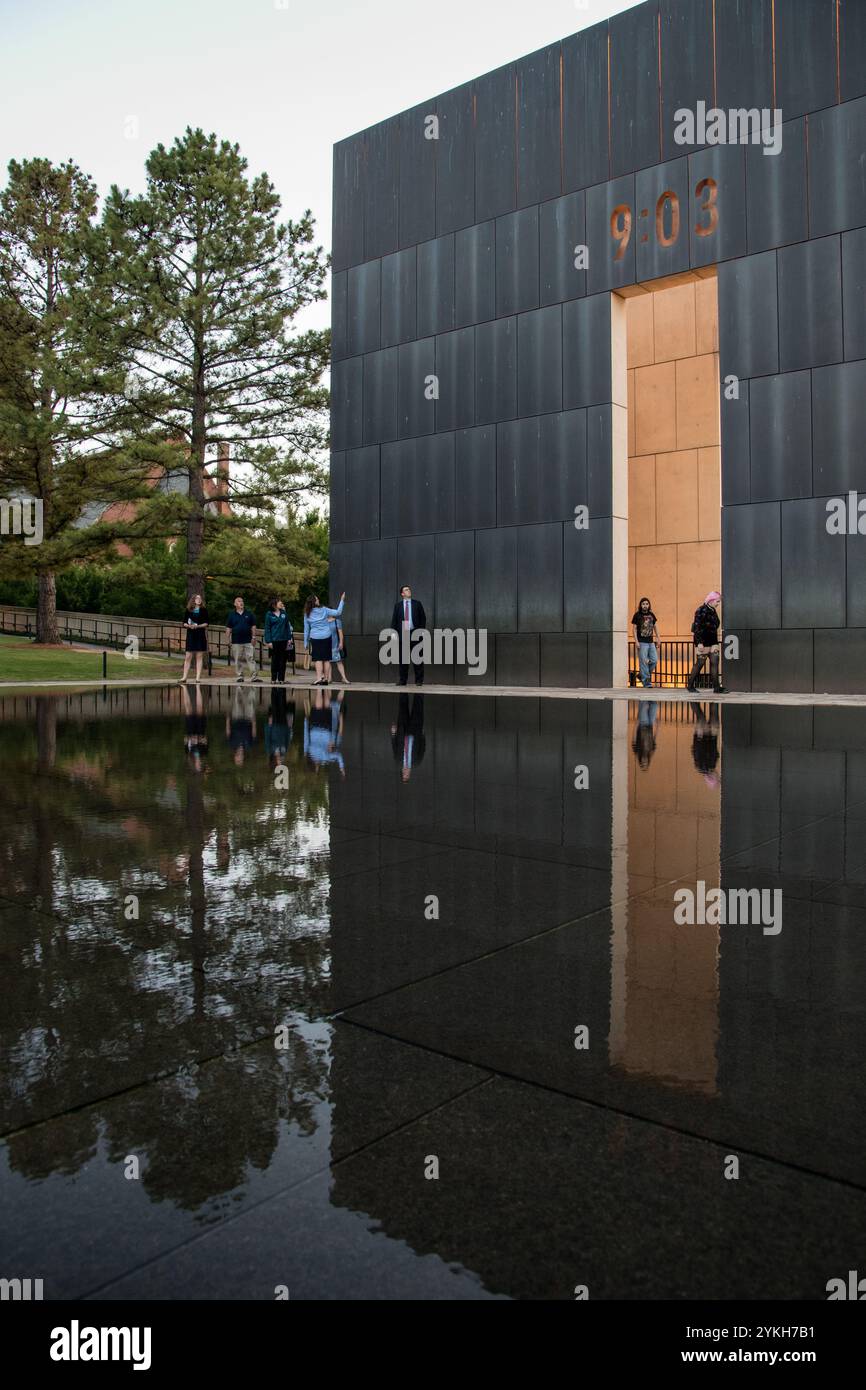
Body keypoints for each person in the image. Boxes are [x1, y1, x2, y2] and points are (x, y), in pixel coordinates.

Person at [687, 591, 726, 694]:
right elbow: (696, 627)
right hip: (703, 641)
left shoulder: (713, 610)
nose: (718, 603)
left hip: (713, 640)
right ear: (711, 600)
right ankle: (690, 686)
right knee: (700, 663)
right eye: (717, 601)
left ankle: (717, 688)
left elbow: (715, 624)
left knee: (715, 662)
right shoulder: (701, 610)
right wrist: (699, 642)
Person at [303, 592, 346, 686]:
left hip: (315, 637)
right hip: (327, 636)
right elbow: (338, 612)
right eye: (317, 599)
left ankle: (319, 679)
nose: (318, 600)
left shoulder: (307, 614)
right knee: (326, 659)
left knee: (318, 659)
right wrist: (342, 600)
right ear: (314, 602)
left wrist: (305, 642)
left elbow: (306, 629)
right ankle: (326, 679)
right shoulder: (324, 610)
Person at [390, 584, 427, 686]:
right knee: (403, 660)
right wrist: (393, 633)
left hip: (415, 633)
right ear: (402, 594)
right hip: (403, 634)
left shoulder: (417, 604)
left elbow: (423, 618)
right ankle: (403, 680)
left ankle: (419, 681)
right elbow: (394, 620)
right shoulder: (398, 606)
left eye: (409, 589)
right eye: (406, 590)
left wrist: (421, 630)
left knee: (417, 658)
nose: (409, 591)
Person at [390, 692, 425, 781]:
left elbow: (394, 746)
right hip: (415, 732)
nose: (406, 772)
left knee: (403, 707)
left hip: (402, 731)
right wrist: (423, 735)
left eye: (404, 774)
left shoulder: (398, 760)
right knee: (418, 707)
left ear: (401, 771)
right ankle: (419, 689)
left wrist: (393, 733)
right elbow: (422, 749)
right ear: (409, 773)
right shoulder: (416, 762)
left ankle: (403, 688)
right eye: (407, 775)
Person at [225, 596, 259, 683]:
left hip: (248, 640)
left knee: (251, 658)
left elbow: (253, 626)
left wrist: (254, 637)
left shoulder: (249, 614)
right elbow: (228, 628)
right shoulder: (231, 615)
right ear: (235, 604)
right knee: (237, 659)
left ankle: (254, 677)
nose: (241, 603)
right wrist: (227, 639)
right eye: (239, 601)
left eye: (242, 601)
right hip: (236, 641)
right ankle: (240, 676)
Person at [264, 597, 294, 685]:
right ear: (274, 604)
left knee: (283, 660)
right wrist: (268, 641)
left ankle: (281, 678)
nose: (281, 603)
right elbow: (267, 628)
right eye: (279, 602)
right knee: (275, 660)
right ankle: (273, 678)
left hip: (284, 640)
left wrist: (289, 638)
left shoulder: (284, 614)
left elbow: (287, 627)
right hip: (274, 640)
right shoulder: (269, 614)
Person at [631, 596, 659, 688]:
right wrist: (636, 642)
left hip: (650, 642)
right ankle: (646, 682)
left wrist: (658, 638)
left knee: (654, 660)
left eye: (647, 604)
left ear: (649, 605)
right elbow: (634, 629)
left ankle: (641, 675)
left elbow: (655, 626)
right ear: (640, 605)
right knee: (643, 662)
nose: (645, 605)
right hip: (641, 642)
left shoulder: (651, 614)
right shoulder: (637, 615)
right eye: (643, 604)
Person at [181, 594, 209, 683]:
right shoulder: (189, 610)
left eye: (200, 598)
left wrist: (198, 626)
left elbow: (207, 623)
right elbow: (184, 623)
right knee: (188, 656)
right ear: (193, 599)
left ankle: (197, 678)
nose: (199, 599)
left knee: (199, 656)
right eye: (197, 598)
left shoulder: (204, 610)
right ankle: (184, 677)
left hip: (200, 635)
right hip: (191, 635)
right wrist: (189, 626)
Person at [330, 612, 349, 684]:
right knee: (327, 662)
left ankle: (344, 678)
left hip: (335, 645)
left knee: (339, 661)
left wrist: (341, 642)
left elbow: (340, 633)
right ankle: (329, 678)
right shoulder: (323, 622)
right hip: (326, 644)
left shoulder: (337, 621)